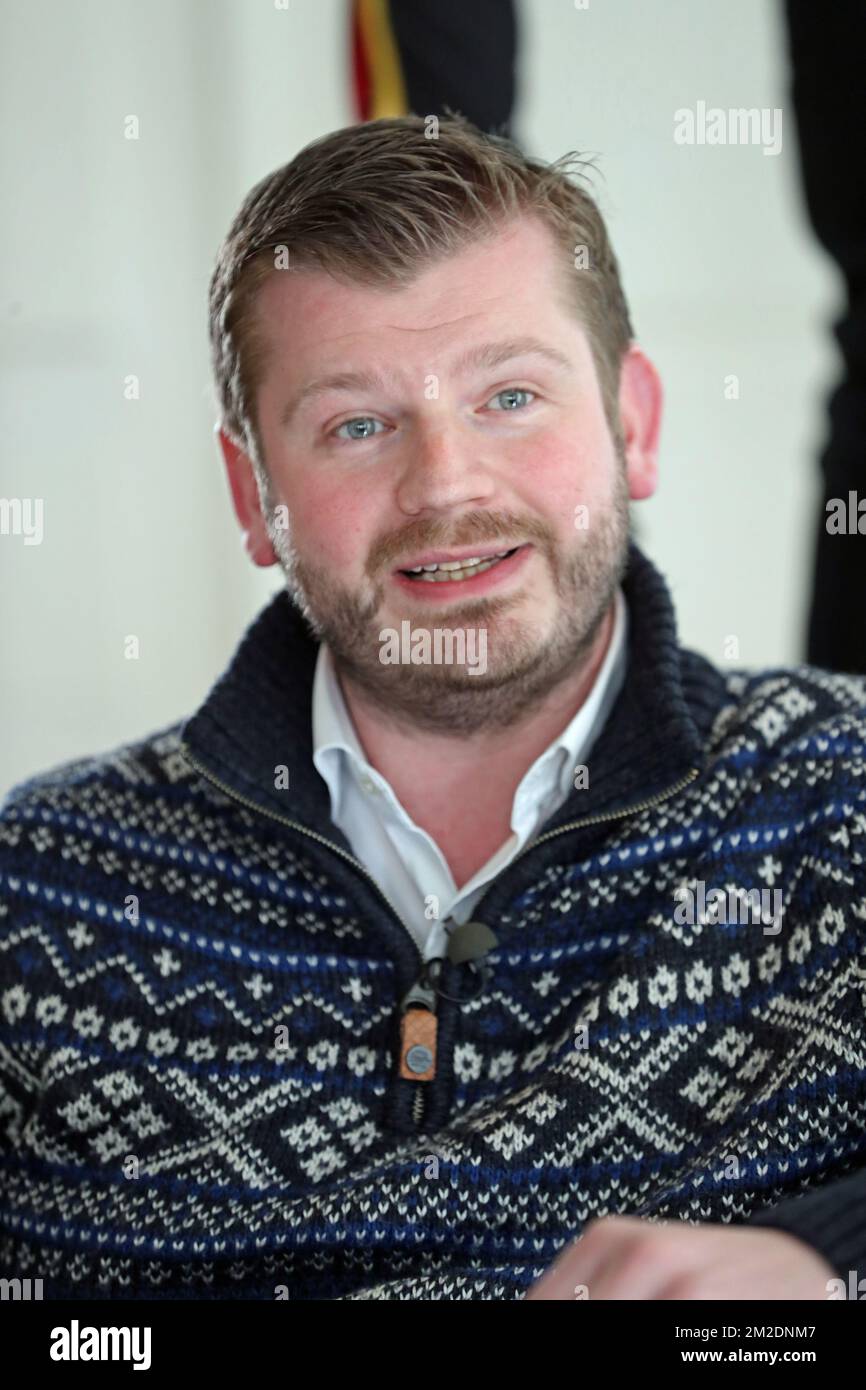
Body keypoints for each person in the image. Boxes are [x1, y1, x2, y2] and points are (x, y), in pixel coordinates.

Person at [1, 114, 864, 1301]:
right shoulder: (39, 893)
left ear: (632, 425)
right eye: (356, 424)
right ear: (255, 497)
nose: (445, 483)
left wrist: (822, 1272)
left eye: (509, 395)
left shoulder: (841, 796)